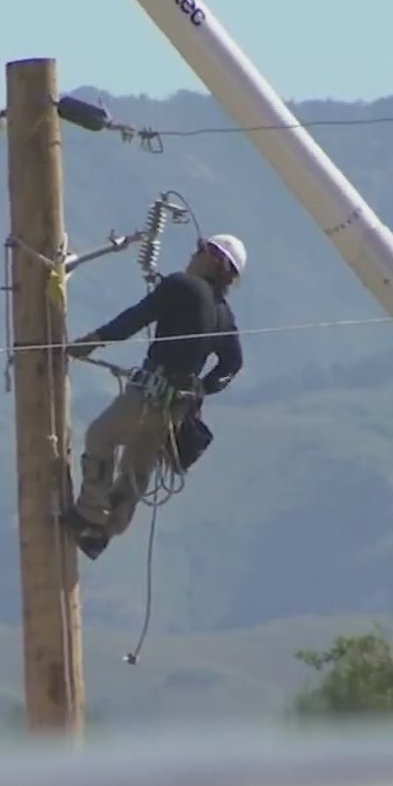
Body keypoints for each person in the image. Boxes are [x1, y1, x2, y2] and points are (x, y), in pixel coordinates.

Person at [62, 233, 246, 559]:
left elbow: (136, 317)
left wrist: (92, 340)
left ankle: (90, 511)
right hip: (177, 407)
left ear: (213, 258)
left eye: (199, 249)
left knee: (100, 436)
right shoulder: (224, 316)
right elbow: (233, 364)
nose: (192, 254)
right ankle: (105, 531)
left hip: (151, 390)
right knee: (136, 466)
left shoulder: (182, 286)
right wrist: (204, 386)